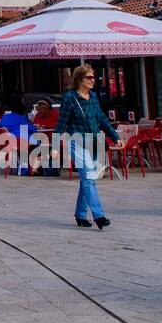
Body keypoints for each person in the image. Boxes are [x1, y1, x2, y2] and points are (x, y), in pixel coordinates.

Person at [56, 64, 120, 229]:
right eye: (89, 77)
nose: (93, 80)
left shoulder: (93, 97)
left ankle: (80, 215)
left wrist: (115, 137)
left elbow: (102, 119)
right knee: (89, 179)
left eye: (93, 77)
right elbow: (61, 122)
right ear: (79, 79)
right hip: (76, 141)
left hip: (93, 142)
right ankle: (99, 216)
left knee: (87, 179)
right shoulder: (70, 98)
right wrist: (55, 146)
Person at [0, 98, 36, 176]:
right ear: (22, 112)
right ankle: (26, 168)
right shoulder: (21, 118)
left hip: (5, 143)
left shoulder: (5, 117)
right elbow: (32, 129)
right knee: (35, 143)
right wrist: (35, 126)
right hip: (19, 143)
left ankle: (23, 165)